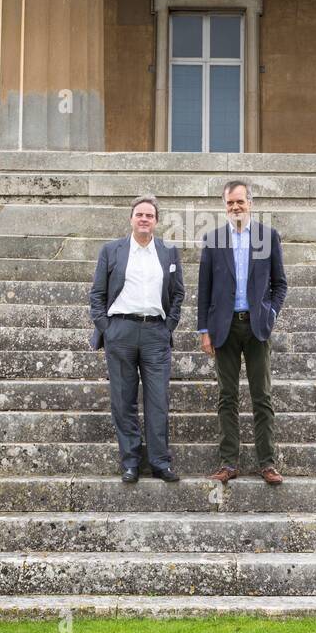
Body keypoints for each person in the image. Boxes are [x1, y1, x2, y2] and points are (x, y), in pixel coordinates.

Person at [196, 180, 289, 485]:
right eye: (230, 203)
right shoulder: (213, 239)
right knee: (227, 396)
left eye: (240, 202)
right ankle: (228, 463)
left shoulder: (267, 236)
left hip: (256, 326)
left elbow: (280, 284)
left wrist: (270, 313)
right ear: (225, 206)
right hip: (223, 327)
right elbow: (204, 289)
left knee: (262, 396)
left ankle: (267, 463)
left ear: (250, 203)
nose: (235, 207)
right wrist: (204, 330)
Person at [88, 195, 185, 483]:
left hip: (156, 332)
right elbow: (97, 294)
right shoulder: (112, 250)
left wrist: (169, 326)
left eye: (150, 215)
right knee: (123, 400)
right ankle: (130, 462)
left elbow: (178, 293)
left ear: (156, 221)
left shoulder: (168, 251)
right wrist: (106, 327)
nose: (144, 219)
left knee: (158, 399)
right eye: (139, 214)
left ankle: (159, 462)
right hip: (121, 331)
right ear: (131, 219)